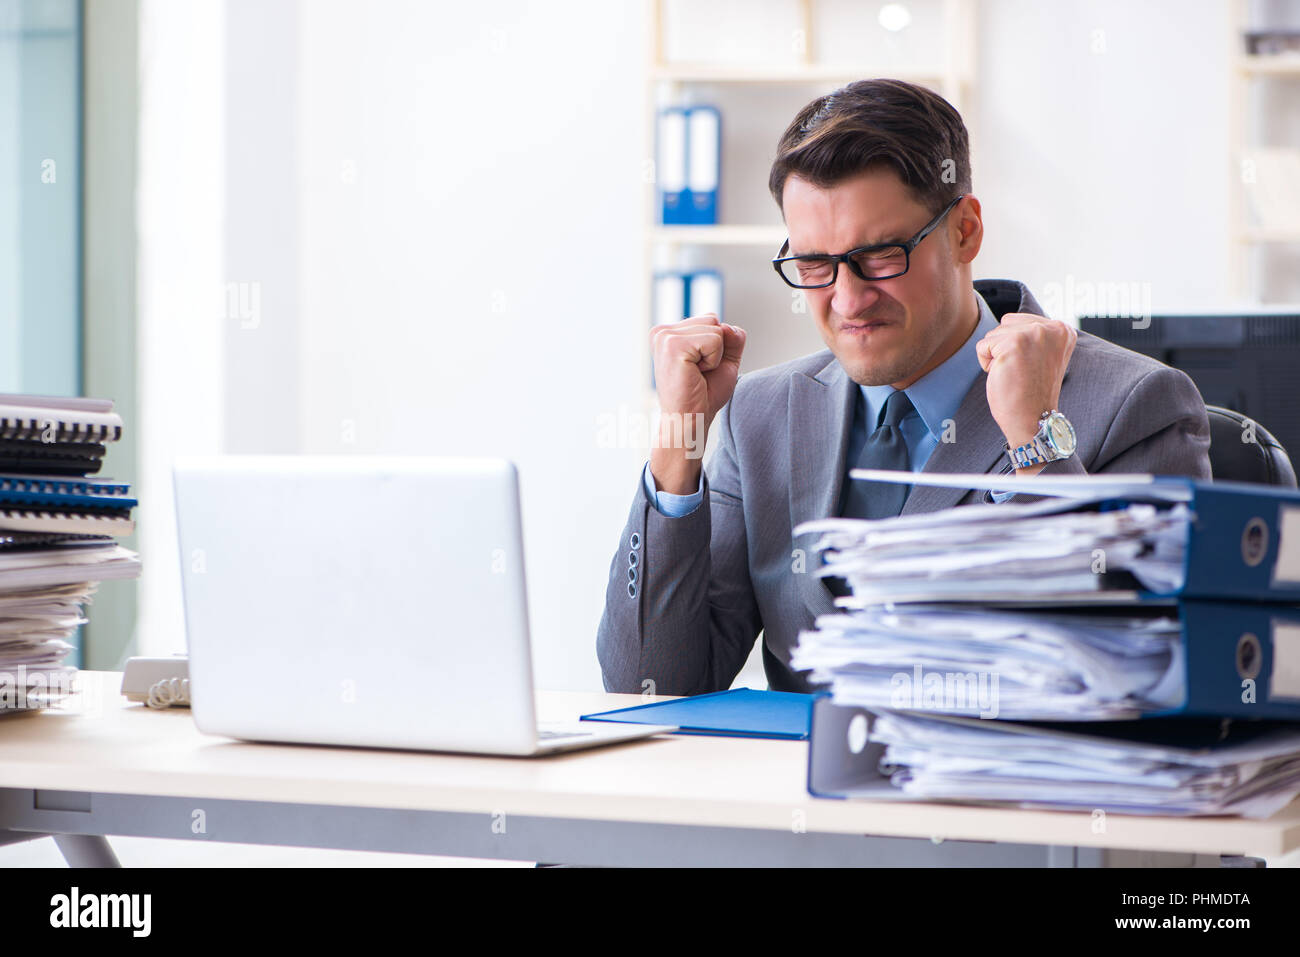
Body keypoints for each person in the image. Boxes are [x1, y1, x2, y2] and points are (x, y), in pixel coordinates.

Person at [597, 78, 1210, 696]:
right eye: (814, 264)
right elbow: (650, 683)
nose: (848, 300)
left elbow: (1146, 680)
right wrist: (678, 439)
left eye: (881, 255)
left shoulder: (1135, 404)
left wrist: (1035, 440)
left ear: (965, 231)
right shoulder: (758, 414)